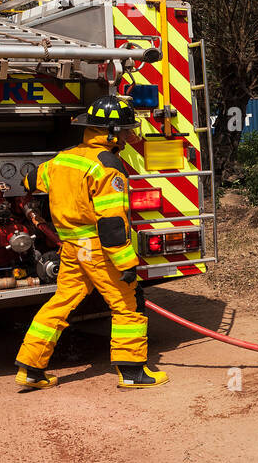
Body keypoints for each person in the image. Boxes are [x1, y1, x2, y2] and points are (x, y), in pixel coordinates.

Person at [12, 94, 168, 390]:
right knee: (128, 304)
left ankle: (31, 367)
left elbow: (31, 180)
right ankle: (133, 371)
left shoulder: (63, 158)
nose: (128, 135)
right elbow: (111, 223)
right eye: (124, 130)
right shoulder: (108, 167)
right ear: (109, 132)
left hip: (72, 249)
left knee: (60, 303)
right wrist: (126, 263)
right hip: (98, 250)